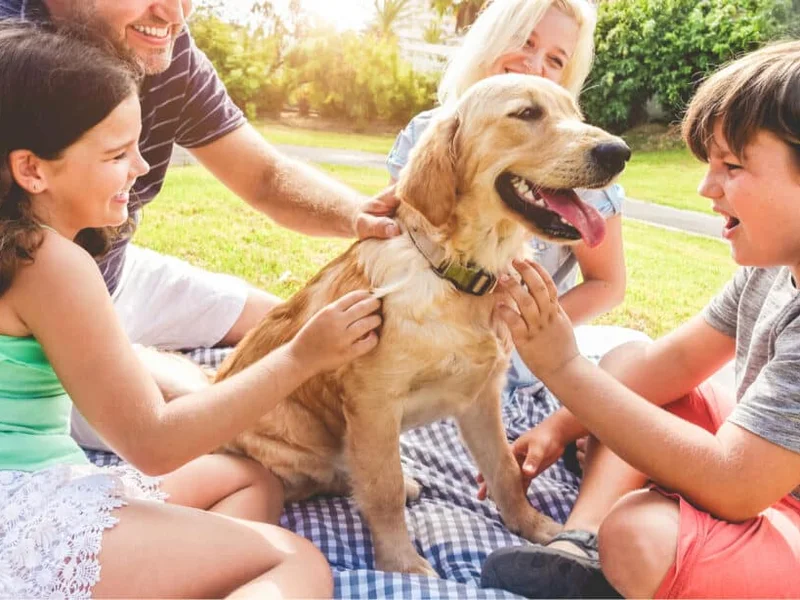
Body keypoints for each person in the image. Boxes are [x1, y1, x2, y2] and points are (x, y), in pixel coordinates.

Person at [0, 21, 385, 598]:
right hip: (25, 510)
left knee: (250, 477)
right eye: (115, 154)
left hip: (47, 479)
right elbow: (155, 445)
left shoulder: (23, 247)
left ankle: (167, 570)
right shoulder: (50, 265)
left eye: (137, 145)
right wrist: (303, 355)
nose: (140, 167)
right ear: (32, 169)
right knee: (295, 563)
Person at [0, 0, 400, 451]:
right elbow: (155, 438)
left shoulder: (160, 44)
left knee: (294, 323)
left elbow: (264, 177)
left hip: (116, 275)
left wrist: (363, 215)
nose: (175, 13)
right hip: (39, 320)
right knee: (241, 419)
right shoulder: (13, 61)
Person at [480, 40, 800, 599]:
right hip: (769, 474)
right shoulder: (770, 270)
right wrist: (562, 425)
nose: (706, 187)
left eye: (732, 165)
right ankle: (578, 542)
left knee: (638, 534)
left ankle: (624, 562)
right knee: (630, 362)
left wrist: (563, 368)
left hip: (769, 495)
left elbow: (737, 483)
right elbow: (669, 364)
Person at [386, 0, 627, 406]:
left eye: (555, 59)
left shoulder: (583, 161)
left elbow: (609, 283)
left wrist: (522, 324)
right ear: (490, 41)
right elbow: (399, 245)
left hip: (518, 364)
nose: (535, 65)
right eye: (524, 41)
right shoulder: (429, 135)